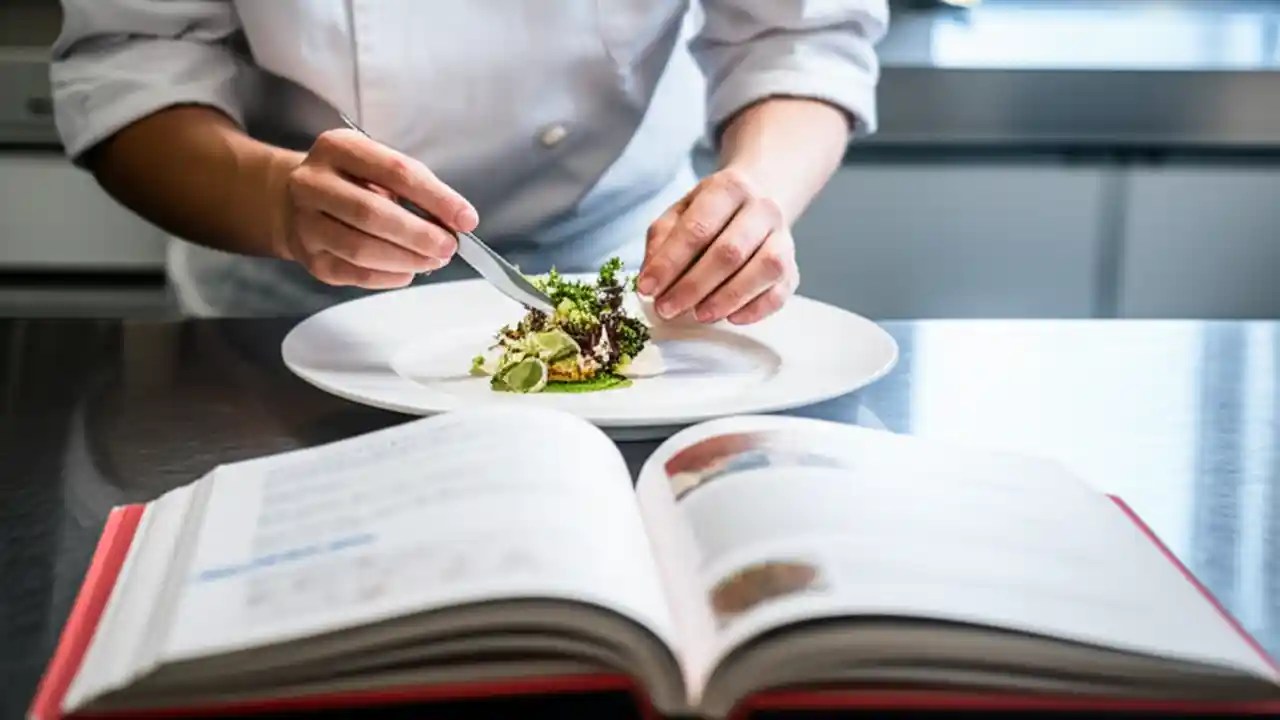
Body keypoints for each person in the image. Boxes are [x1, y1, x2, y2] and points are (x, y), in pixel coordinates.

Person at [51, 1, 887, 321]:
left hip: (628, 275)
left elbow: (801, 32)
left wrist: (756, 195)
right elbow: (132, 61)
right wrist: (275, 201)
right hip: (281, 298)